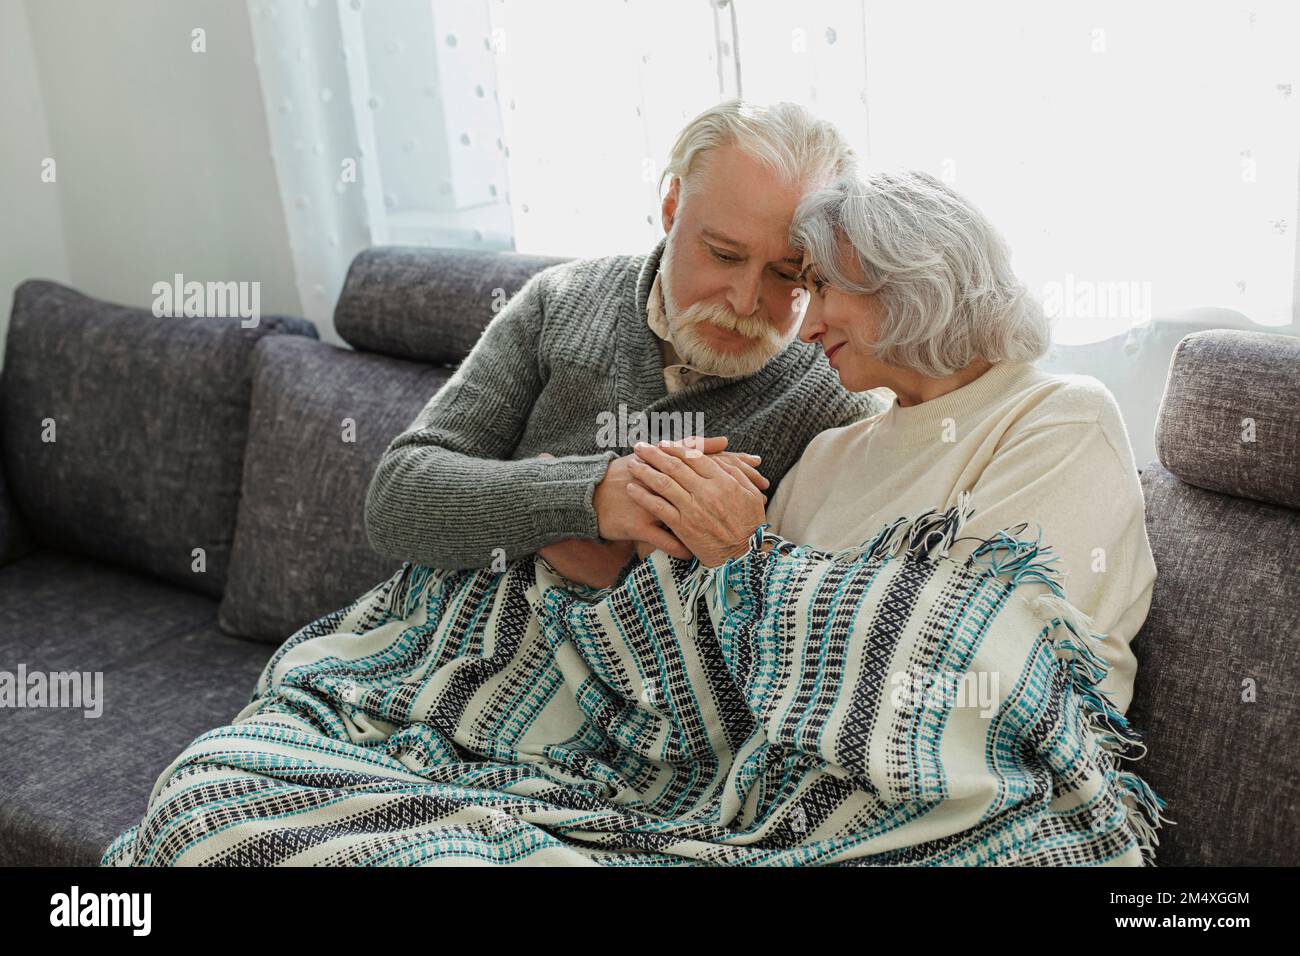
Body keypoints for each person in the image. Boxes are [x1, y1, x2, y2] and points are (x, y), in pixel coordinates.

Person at [626, 170, 1156, 715]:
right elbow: (742, 675)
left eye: (822, 287)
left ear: (910, 279)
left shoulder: (1061, 419)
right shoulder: (828, 455)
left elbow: (976, 671)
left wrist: (746, 552)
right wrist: (672, 541)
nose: (806, 330)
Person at [362, 99, 883, 591]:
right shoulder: (561, 300)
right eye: (723, 255)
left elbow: (818, 618)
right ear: (673, 208)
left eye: (787, 273)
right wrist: (585, 498)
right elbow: (396, 499)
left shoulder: (840, 397)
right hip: (416, 646)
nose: (745, 302)